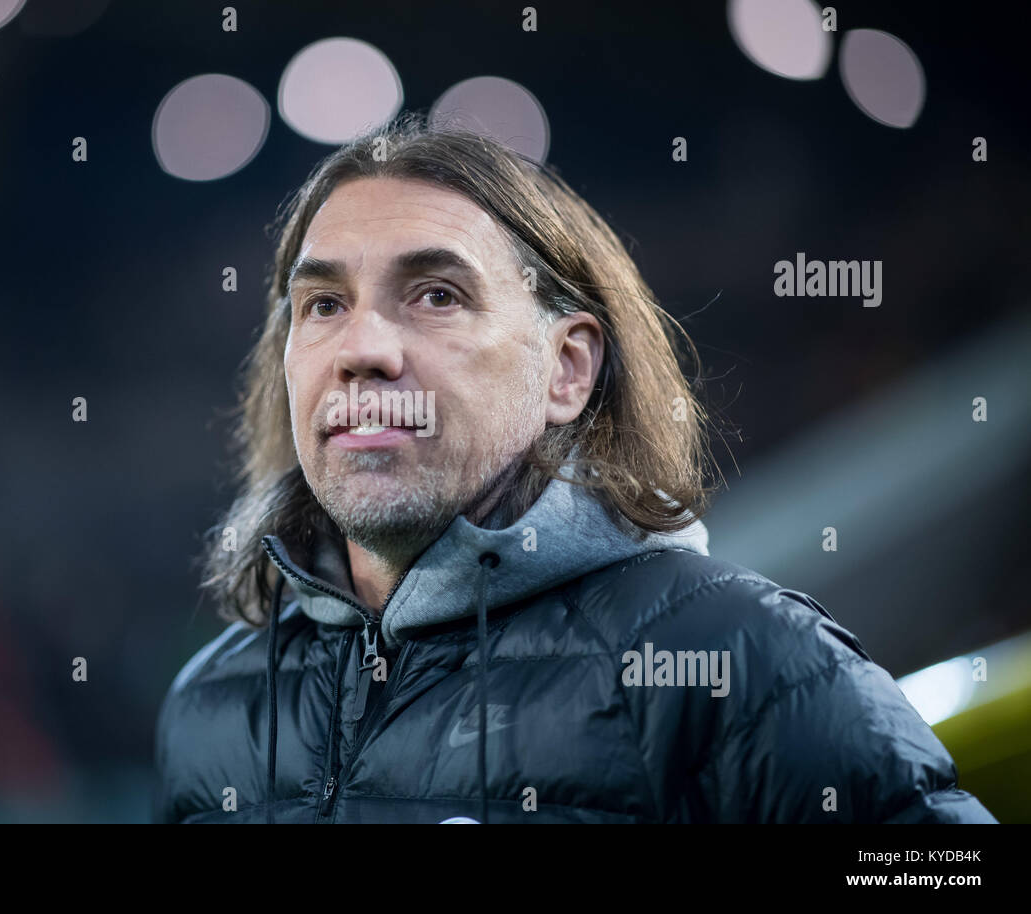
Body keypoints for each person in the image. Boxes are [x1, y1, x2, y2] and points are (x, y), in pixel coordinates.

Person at [151, 112, 996, 824]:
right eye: (324, 305)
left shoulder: (741, 663)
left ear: (567, 370)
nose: (363, 349)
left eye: (437, 294)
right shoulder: (210, 705)